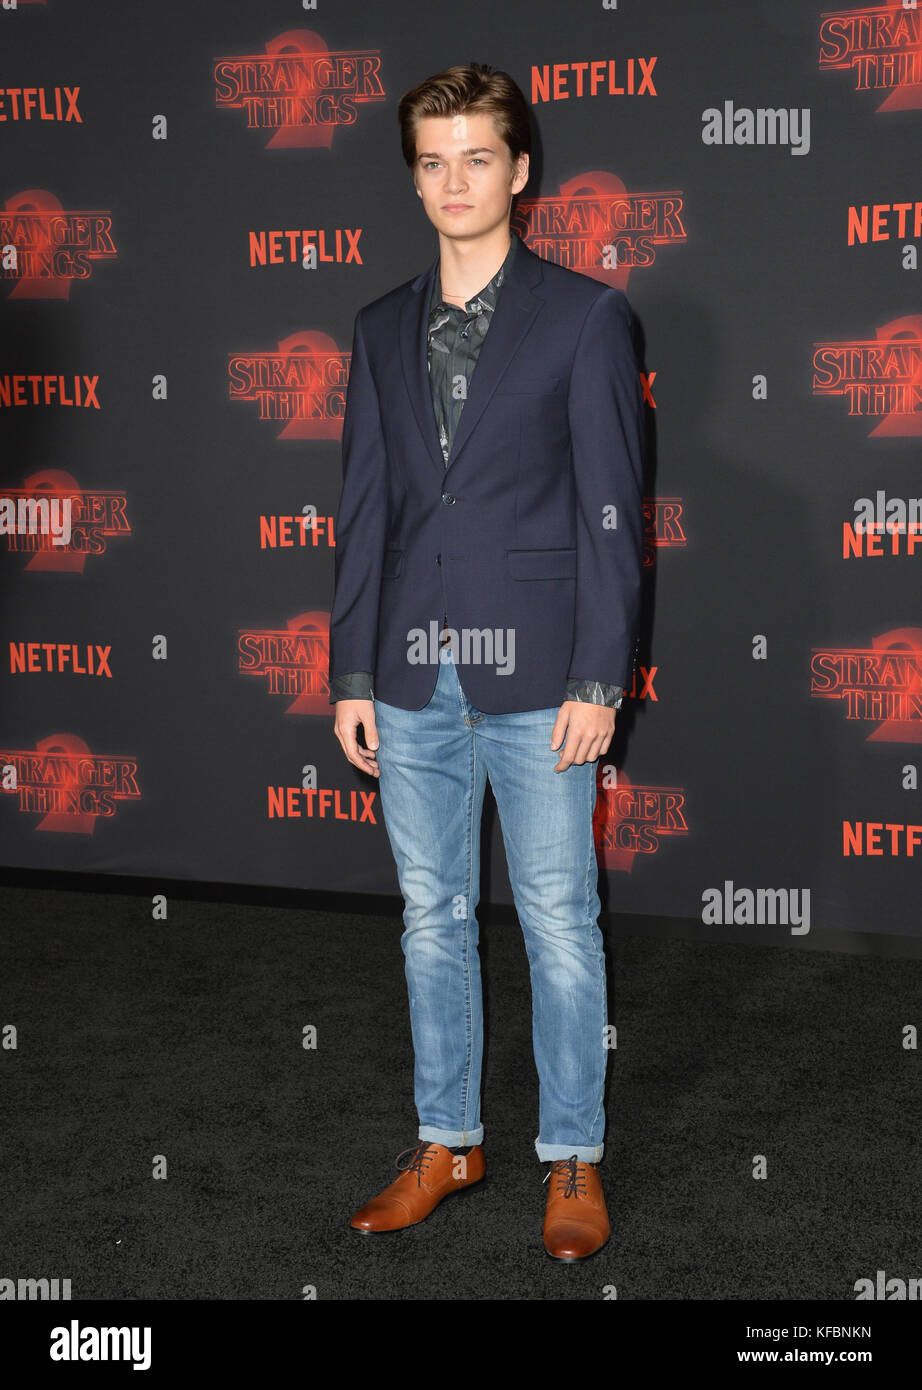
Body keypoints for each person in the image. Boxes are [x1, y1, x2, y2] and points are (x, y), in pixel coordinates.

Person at [328, 62, 645, 1260]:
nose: (453, 181)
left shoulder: (587, 317)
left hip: (544, 679)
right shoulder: (377, 327)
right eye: (432, 161)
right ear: (413, 179)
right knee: (431, 918)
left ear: (519, 170)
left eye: (475, 157)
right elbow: (366, 511)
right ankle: (448, 1140)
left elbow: (612, 513)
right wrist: (351, 673)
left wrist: (599, 679)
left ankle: (572, 1155)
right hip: (411, 674)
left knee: (559, 919)